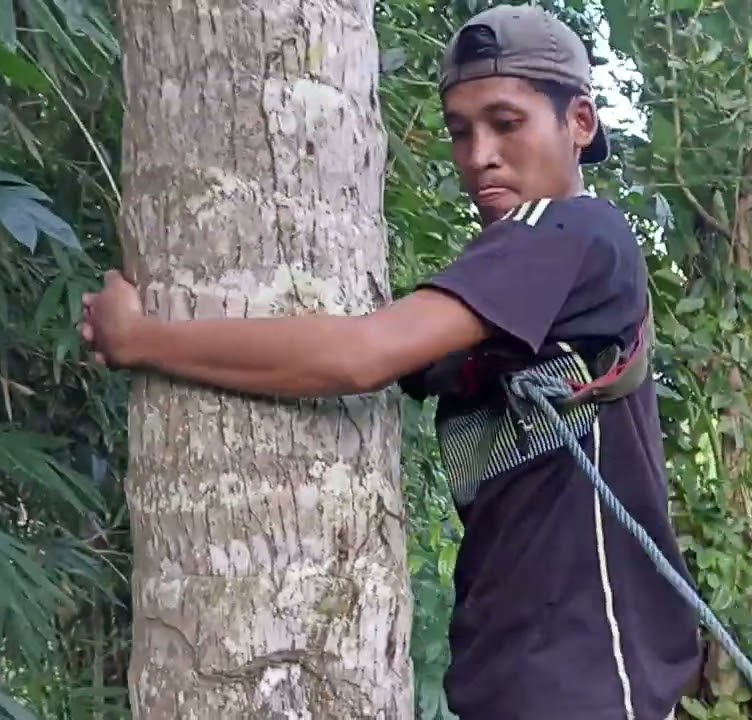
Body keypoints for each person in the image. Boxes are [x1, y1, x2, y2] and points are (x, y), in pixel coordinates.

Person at [80, 4, 702, 719]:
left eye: (507, 123)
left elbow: (358, 357)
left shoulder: (571, 229)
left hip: (580, 677)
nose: (480, 155)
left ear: (580, 122)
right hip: (522, 671)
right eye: (460, 131)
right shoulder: (510, 282)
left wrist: (143, 339)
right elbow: (362, 349)